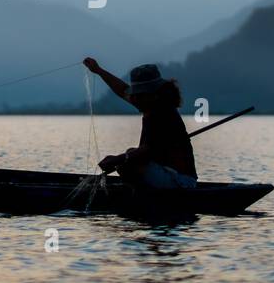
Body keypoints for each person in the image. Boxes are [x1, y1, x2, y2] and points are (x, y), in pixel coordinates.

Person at [83, 58, 197, 189]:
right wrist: (98, 70)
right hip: (165, 174)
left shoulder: (163, 113)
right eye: (135, 95)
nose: (134, 99)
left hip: (182, 181)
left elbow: (147, 151)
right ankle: (140, 193)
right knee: (130, 156)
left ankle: (141, 197)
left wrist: (118, 159)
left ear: (152, 94)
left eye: (138, 95)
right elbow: (123, 90)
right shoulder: (150, 103)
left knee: (128, 163)